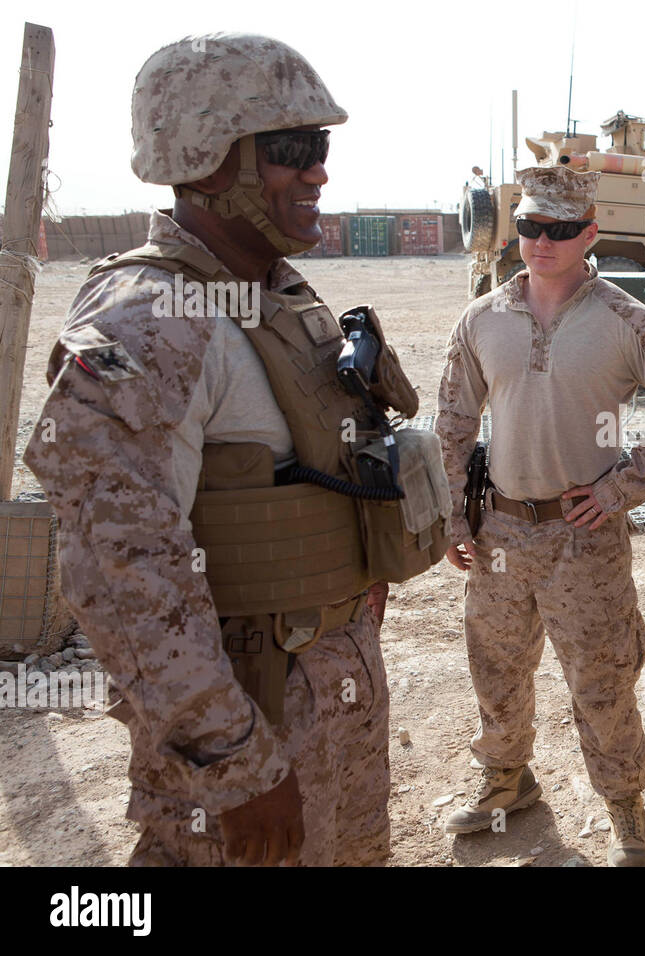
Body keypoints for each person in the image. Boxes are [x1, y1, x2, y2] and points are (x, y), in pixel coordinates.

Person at [24, 32, 441, 866]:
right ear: (209, 162)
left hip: (332, 695)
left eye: (319, 147)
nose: (318, 171)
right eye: (293, 150)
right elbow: (121, 573)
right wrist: (235, 765)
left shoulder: (275, 292)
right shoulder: (150, 319)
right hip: (252, 728)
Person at [435, 164, 645, 866]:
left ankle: (626, 812)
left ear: (591, 234)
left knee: (601, 678)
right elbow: (454, 421)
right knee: (495, 667)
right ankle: (505, 781)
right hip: (497, 531)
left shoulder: (627, 322)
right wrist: (454, 517)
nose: (540, 242)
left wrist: (621, 488)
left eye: (558, 230)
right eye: (528, 226)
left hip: (582, 539)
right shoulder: (483, 319)